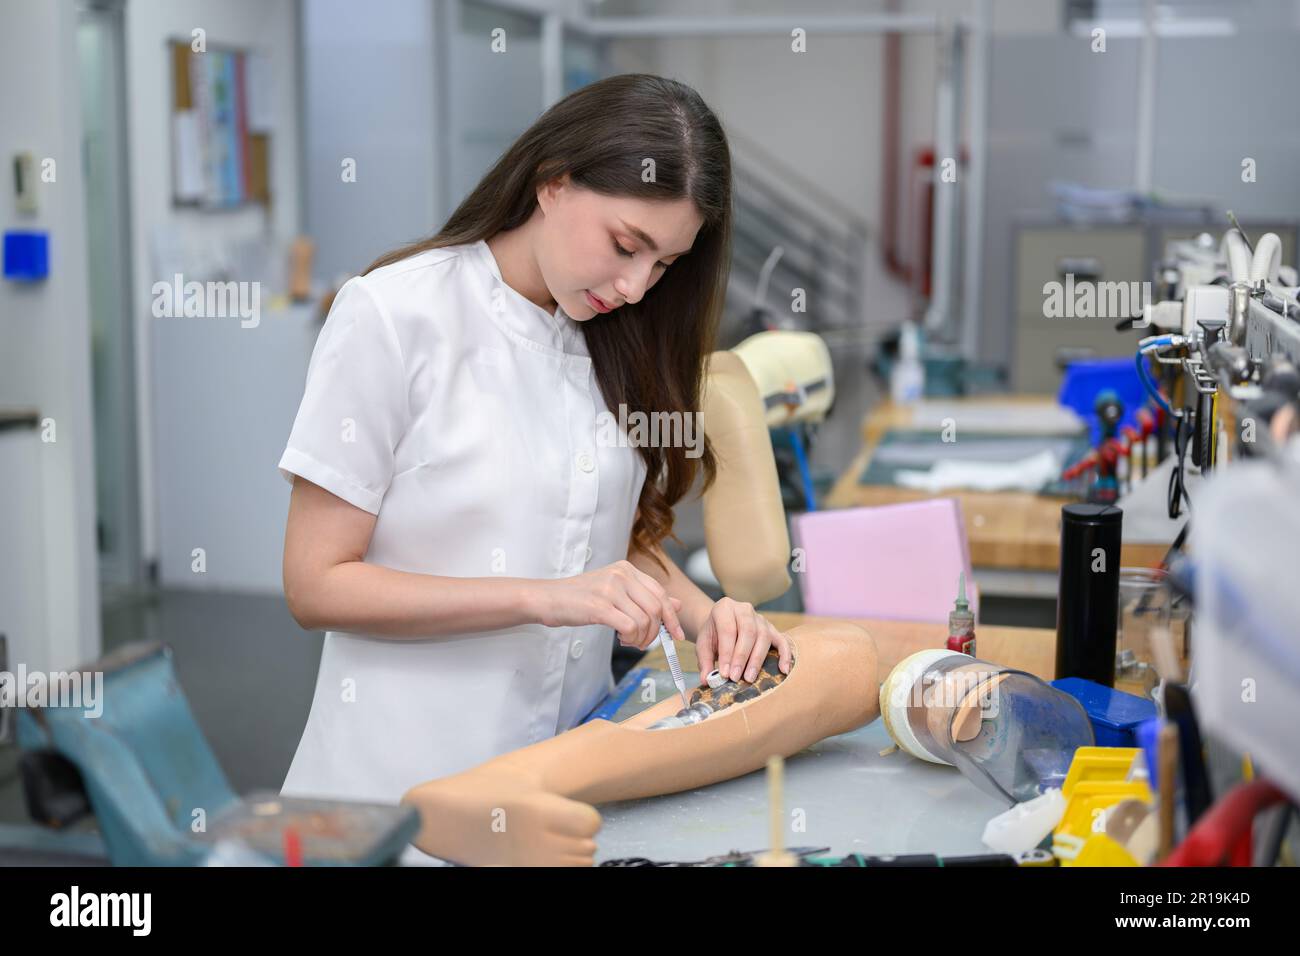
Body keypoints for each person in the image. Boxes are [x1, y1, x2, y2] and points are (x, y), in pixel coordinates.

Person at [276, 74, 791, 858]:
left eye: (663, 265)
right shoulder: (395, 316)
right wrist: (542, 598)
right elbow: (316, 584)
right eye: (625, 245)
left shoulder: (619, 336)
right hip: (399, 794)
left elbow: (602, 537)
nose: (634, 285)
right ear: (553, 181)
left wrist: (702, 615)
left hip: (564, 788)